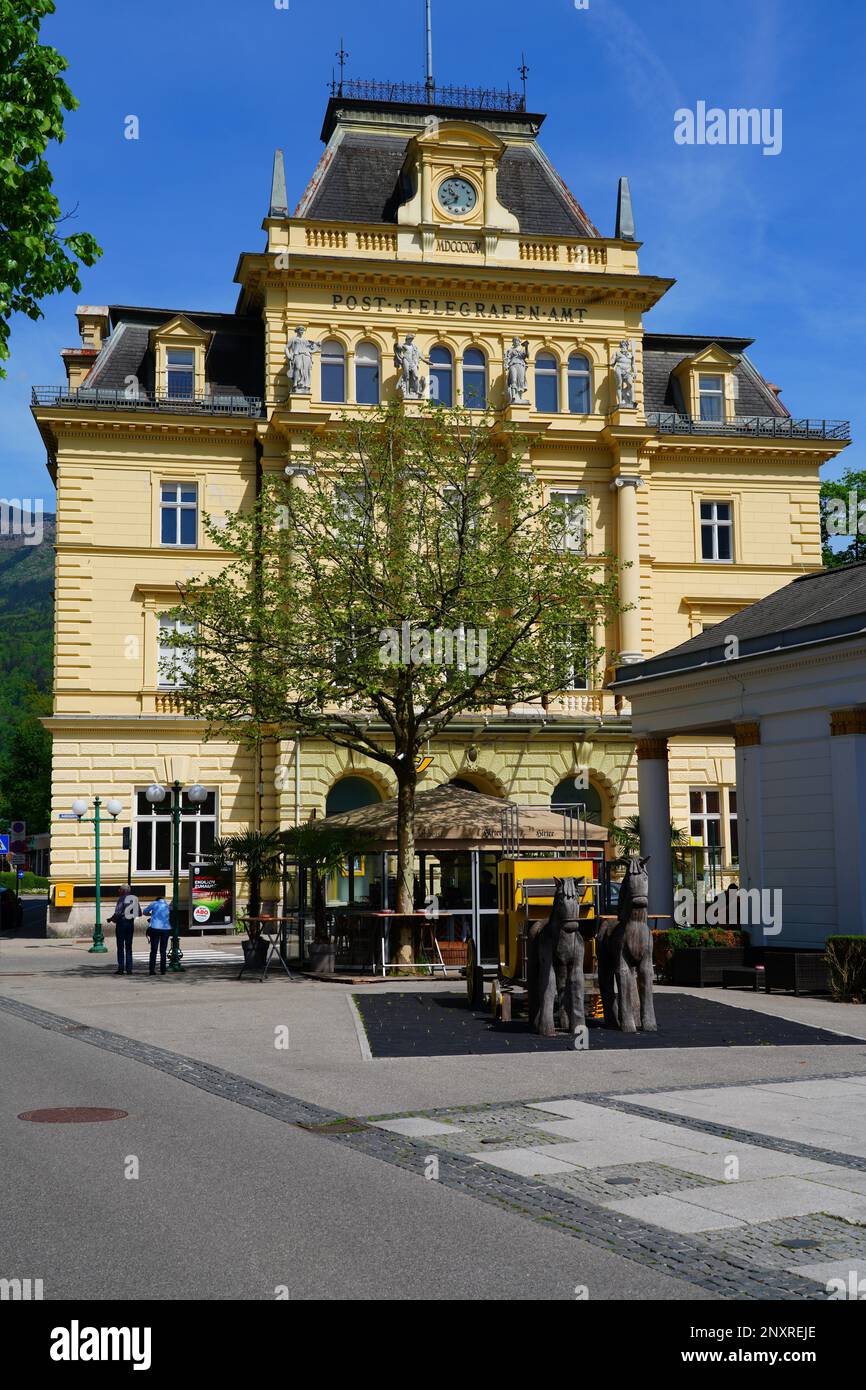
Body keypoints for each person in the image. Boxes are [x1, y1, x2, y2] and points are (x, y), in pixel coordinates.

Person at [108, 884, 141, 975]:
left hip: (121, 924)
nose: (119, 891)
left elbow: (118, 913)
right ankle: (129, 969)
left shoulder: (121, 899)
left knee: (120, 946)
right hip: (130, 924)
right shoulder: (134, 899)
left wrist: (112, 919)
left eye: (120, 890)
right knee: (129, 947)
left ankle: (121, 968)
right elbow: (139, 913)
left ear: (123, 891)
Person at [143, 894, 171, 975]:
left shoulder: (154, 903)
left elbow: (145, 912)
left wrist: (151, 914)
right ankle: (163, 970)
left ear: (157, 899)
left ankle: (152, 970)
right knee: (163, 950)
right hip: (165, 929)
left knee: (154, 950)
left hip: (155, 928)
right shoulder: (167, 905)